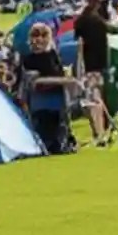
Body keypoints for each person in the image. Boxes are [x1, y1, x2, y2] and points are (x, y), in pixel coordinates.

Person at [22, 23, 76, 154]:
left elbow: (58, 73)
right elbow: (35, 81)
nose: (39, 39)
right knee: (45, 129)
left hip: (58, 97)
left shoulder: (53, 55)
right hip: (40, 100)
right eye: (35, 36)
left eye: (43, 35)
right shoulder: (28, 59)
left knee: (60, 125)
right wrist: (64, 81)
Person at [73, 0, 112, 146]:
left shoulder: (83, 19)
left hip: (88, 63)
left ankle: (99, 130)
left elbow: (78, 38)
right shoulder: (97, 21)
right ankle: (99, 131)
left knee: (93, 98)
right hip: (95, 64)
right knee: (95, 97)